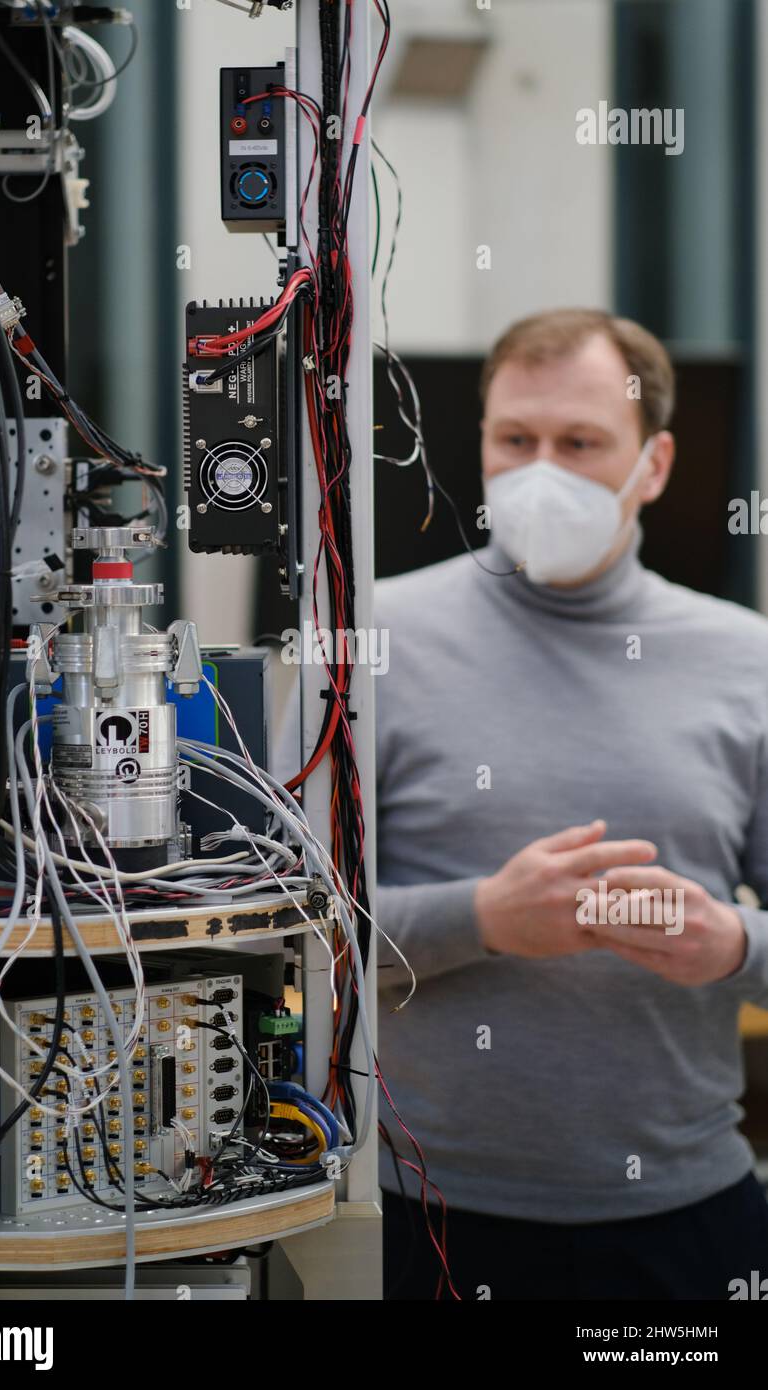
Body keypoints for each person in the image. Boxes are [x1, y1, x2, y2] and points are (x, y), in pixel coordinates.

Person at [375, 307, 768, 1300]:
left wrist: (731, 945)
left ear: (655, 462)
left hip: (681, 1219)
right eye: (515, 440)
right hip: (423, 1215)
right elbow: (289, 937)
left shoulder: (744, 661)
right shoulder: (373, 637)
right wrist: (485, 921)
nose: (539, 471)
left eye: (580, 443)